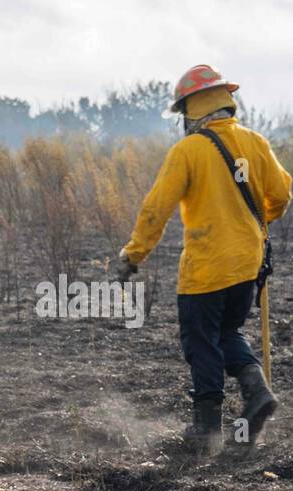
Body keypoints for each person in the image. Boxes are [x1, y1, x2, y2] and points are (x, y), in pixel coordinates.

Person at [119, 65, 292, 454]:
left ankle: (205, 435)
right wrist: (251, 224)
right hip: (247, 263)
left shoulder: (189, 150)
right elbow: (281, 196)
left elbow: (155, 209)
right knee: (227, 332)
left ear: (193, 110)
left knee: (202, 342)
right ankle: (257, 392)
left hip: (206, 269)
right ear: (225, 102)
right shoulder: (256, 142)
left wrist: (133, 255)